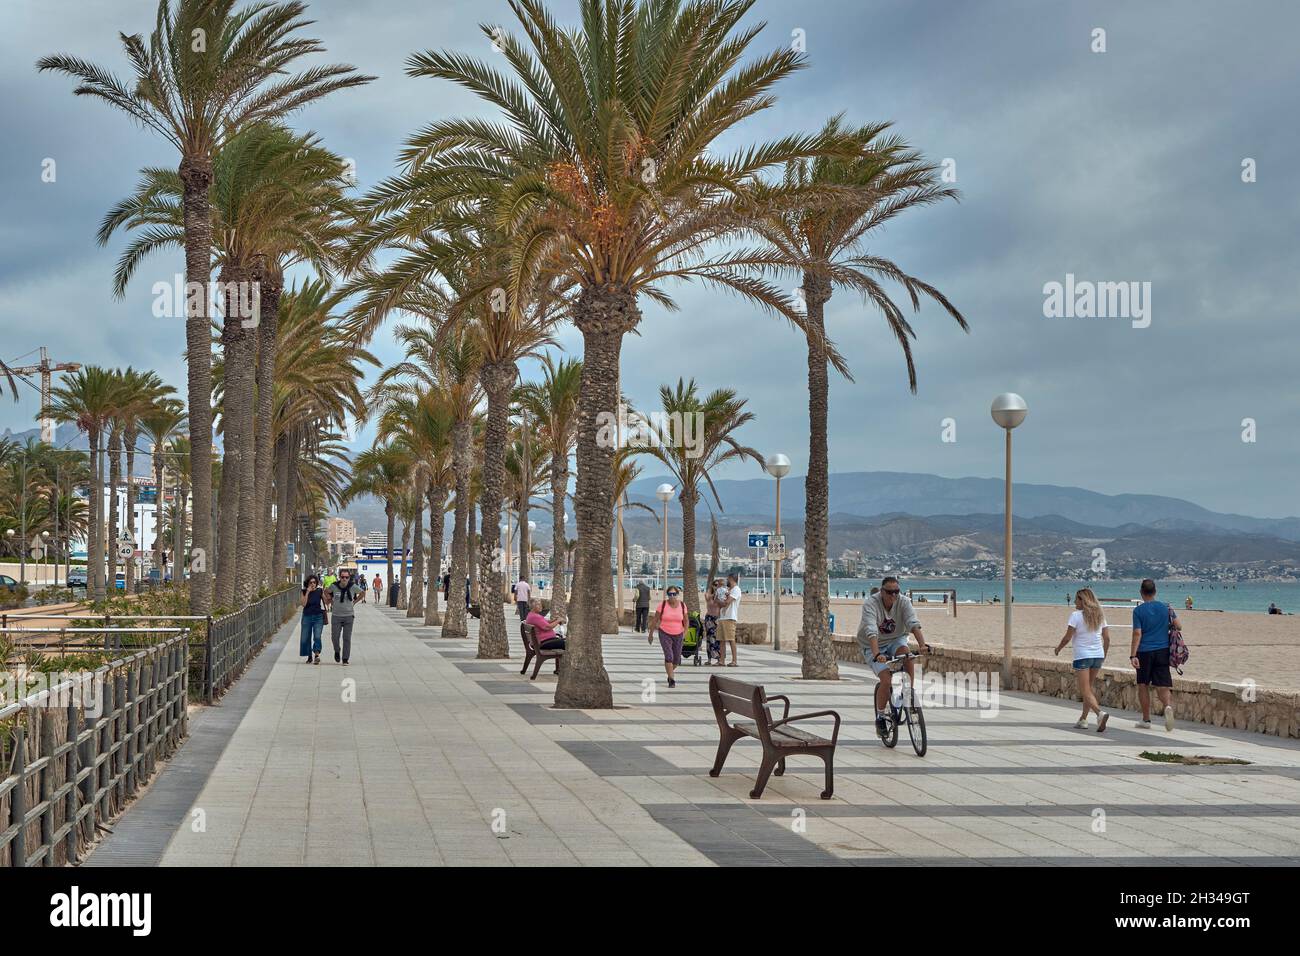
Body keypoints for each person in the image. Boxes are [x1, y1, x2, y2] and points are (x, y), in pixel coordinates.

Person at [857, 576, 930, 738]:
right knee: (886, 680)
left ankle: (909, 693)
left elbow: (913, 623)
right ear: (882, 591)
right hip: (872, 645)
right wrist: (877, 654)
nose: (893, 595)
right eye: (890, 592)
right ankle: (881, 716)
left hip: (896, 640)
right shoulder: (871, 604)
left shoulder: (904, 602)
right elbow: (871, 630)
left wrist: (922, 645)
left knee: (907, 654)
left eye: (897, 591)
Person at [1054, 588, 1111, 732]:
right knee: (1089, 689)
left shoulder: (1076, 615)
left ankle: (1099, 713)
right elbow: (1107, 638)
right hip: (1097, 655)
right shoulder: (1100, 615)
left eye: (1076, 599)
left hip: (1083, 656)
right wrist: (1103, 654)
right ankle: (1083, 720)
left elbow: (1068, 637)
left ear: (1083, 600)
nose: (1074, 602)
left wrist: (1059, 648)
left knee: (1085, 690)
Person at [1131, 579, 1180, 730]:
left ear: (1141, 592)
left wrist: (1133, 655)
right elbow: (1179, 625)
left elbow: (1137, 633)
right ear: (1155, 592)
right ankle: (1167, 706)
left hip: (1144, 651)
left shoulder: (1138, 611)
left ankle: (1146, 720)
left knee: (1143, 685)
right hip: (1163, 650)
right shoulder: (1166, 608)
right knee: (1162, 684)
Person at [649, 585, 689, 687]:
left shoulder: (682, 605)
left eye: (674, 594)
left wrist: (685, 632)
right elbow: (655, 620)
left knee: (676, 660)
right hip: (664, 633)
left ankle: (669, 672)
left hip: (679, 634)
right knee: (669, 656)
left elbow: (686, 620)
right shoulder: (662, 605)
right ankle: (671, 680)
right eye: (670, 594)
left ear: (677, 595)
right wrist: (651, 634)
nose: (672, 596)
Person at [325, 567, 358, 665]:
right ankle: (337, 650)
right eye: (342, 577)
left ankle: (345, 658)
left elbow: (362, 592)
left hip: (349, 616)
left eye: (346, 577)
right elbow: (326, 591)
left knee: (347, 638)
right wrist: (330, 600)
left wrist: (354, 602)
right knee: (335, 637)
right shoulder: (334, 586)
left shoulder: (353, 586)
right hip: (336, 616)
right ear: (339, 577)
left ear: (349, 578)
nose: (344, 579)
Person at [717, 573, 742, 667]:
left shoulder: (736, 590)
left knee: (731, 639)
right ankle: (721, 660)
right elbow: (723, 602)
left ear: (731, 579)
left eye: (728, 579)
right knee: (721, 640)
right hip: (723, 617)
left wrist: (718, 602)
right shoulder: (729, 590)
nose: (726, 581)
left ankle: (734, 660)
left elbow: (727, 602)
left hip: (730, 617)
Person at [300, 575, 325, 665]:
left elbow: (326, 600)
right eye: (311, 582)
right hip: (307, 617)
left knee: (317, 636)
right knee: (305, 638)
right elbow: (303, 604)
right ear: (307, 583)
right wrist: (307, 592)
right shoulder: (303, 591)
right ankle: (309, 656)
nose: (313, 584)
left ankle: (317, 655)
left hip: (318, 616)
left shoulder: (319, 591)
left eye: (314, 582)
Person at [703, 579, 724, 664]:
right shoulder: (709, 593)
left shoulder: (721, 594)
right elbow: (707, 598)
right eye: (715, 585)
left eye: (718, 585)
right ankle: (709, 659)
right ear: (712, 585)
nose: (716, 586)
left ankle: (719, 659)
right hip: (709, 618)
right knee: (709, 638)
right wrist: (714, 593)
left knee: (717, 638)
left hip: (717, 618)